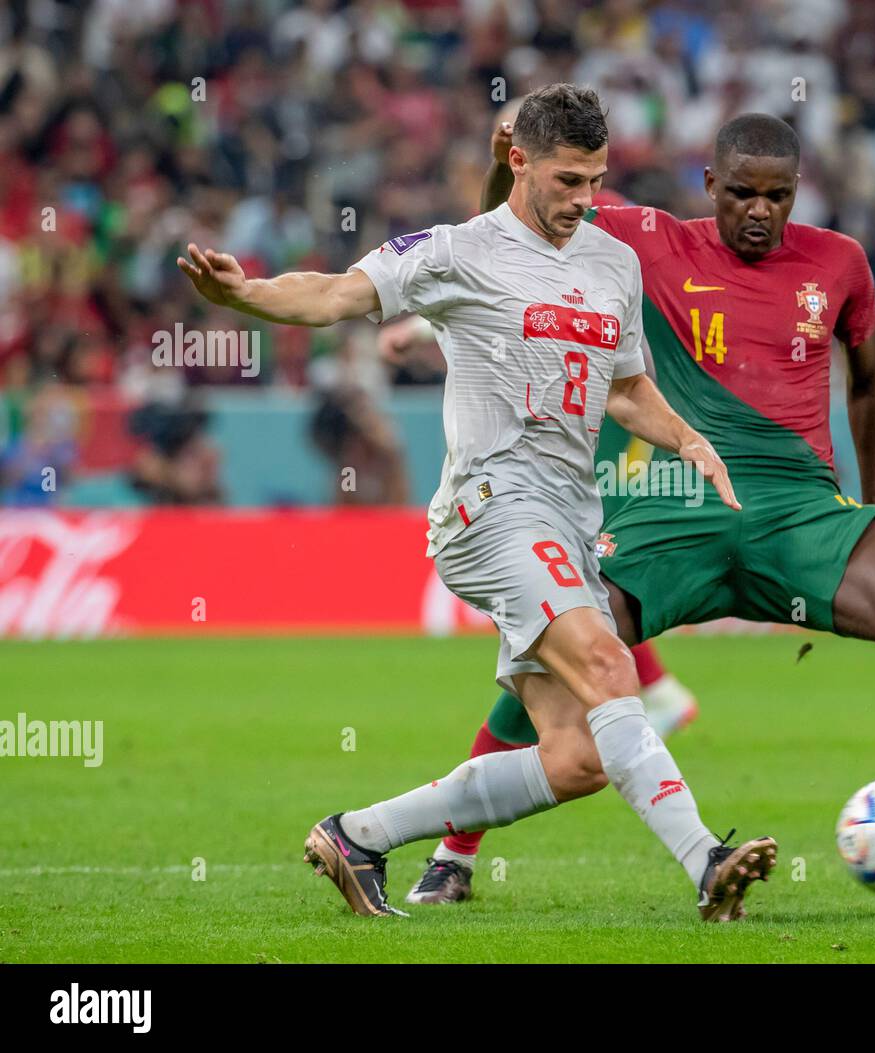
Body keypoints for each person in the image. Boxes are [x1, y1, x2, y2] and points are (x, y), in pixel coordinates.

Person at [407, 111, 875, 905]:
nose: (758, 211)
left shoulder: (840, 262)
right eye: (741, 192)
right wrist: (506, 174)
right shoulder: (646, 237)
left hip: (797, 511)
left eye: (776, 196)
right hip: (667, 509)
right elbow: (523, 200)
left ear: (797, 191)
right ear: (710, 185)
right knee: (559, 655)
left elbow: (872, 383)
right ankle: (453, 853)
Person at [178, 84, 777, 921]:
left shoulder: (614, 263)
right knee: (613, 668)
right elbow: (335, 293)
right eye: (568, 180)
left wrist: (687, 437)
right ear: (519, 161)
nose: (585, 199)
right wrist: (243, 296)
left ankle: (358, 834)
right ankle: (707, 860)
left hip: (570, 519)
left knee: (574, 757)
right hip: (491, 507)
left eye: (597, 180)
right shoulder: (459, 251)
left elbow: (628, 387)